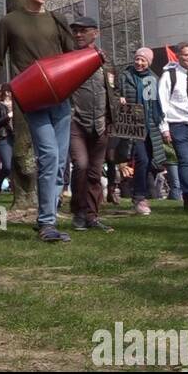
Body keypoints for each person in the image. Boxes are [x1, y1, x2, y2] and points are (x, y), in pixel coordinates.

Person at [0, 0, 75, 241]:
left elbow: (72, 58)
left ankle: (47, 217)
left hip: (61, 101)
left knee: (60, 162)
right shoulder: (10, 22)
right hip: (32, 99)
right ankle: (47, 222)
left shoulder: (56, 19)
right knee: (49, 156)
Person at [68, 16, 119, 232]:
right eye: (75, 31)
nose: (78, 34)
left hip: (101, 125)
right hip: (75, 122)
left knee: (95, 172)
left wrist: (111, 115)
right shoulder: (68, 59)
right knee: (80, 165)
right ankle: (78, 212)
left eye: (83, 30)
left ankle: (91, 215)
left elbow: (112, 89)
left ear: (95, 33)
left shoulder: (105, 61)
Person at [119, 47, 166, 215]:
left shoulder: (152, 79)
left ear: (149, 62)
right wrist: (119, 99)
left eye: (143, 60)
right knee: (142, 160)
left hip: (149, 126)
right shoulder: (125, 76)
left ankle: (139, 196)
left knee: (148, 161)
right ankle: (139, 197)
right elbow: (116, 93)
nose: (139, 63)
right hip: (132, 125)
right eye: (137, 59)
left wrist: (160, 126)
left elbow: (155, 105)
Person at [159, 42, 188, 212]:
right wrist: (164, 128)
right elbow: (163, 102)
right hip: (178, 123)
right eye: (186, 55)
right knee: (186, 160)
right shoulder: (170, 75)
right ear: (178, 56)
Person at [0, 89, 14, 194]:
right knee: (7, 166)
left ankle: (14, 188)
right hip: (4, 137)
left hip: (15, 137)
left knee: (17, 166)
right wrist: (8, 116)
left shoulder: (16, 105)